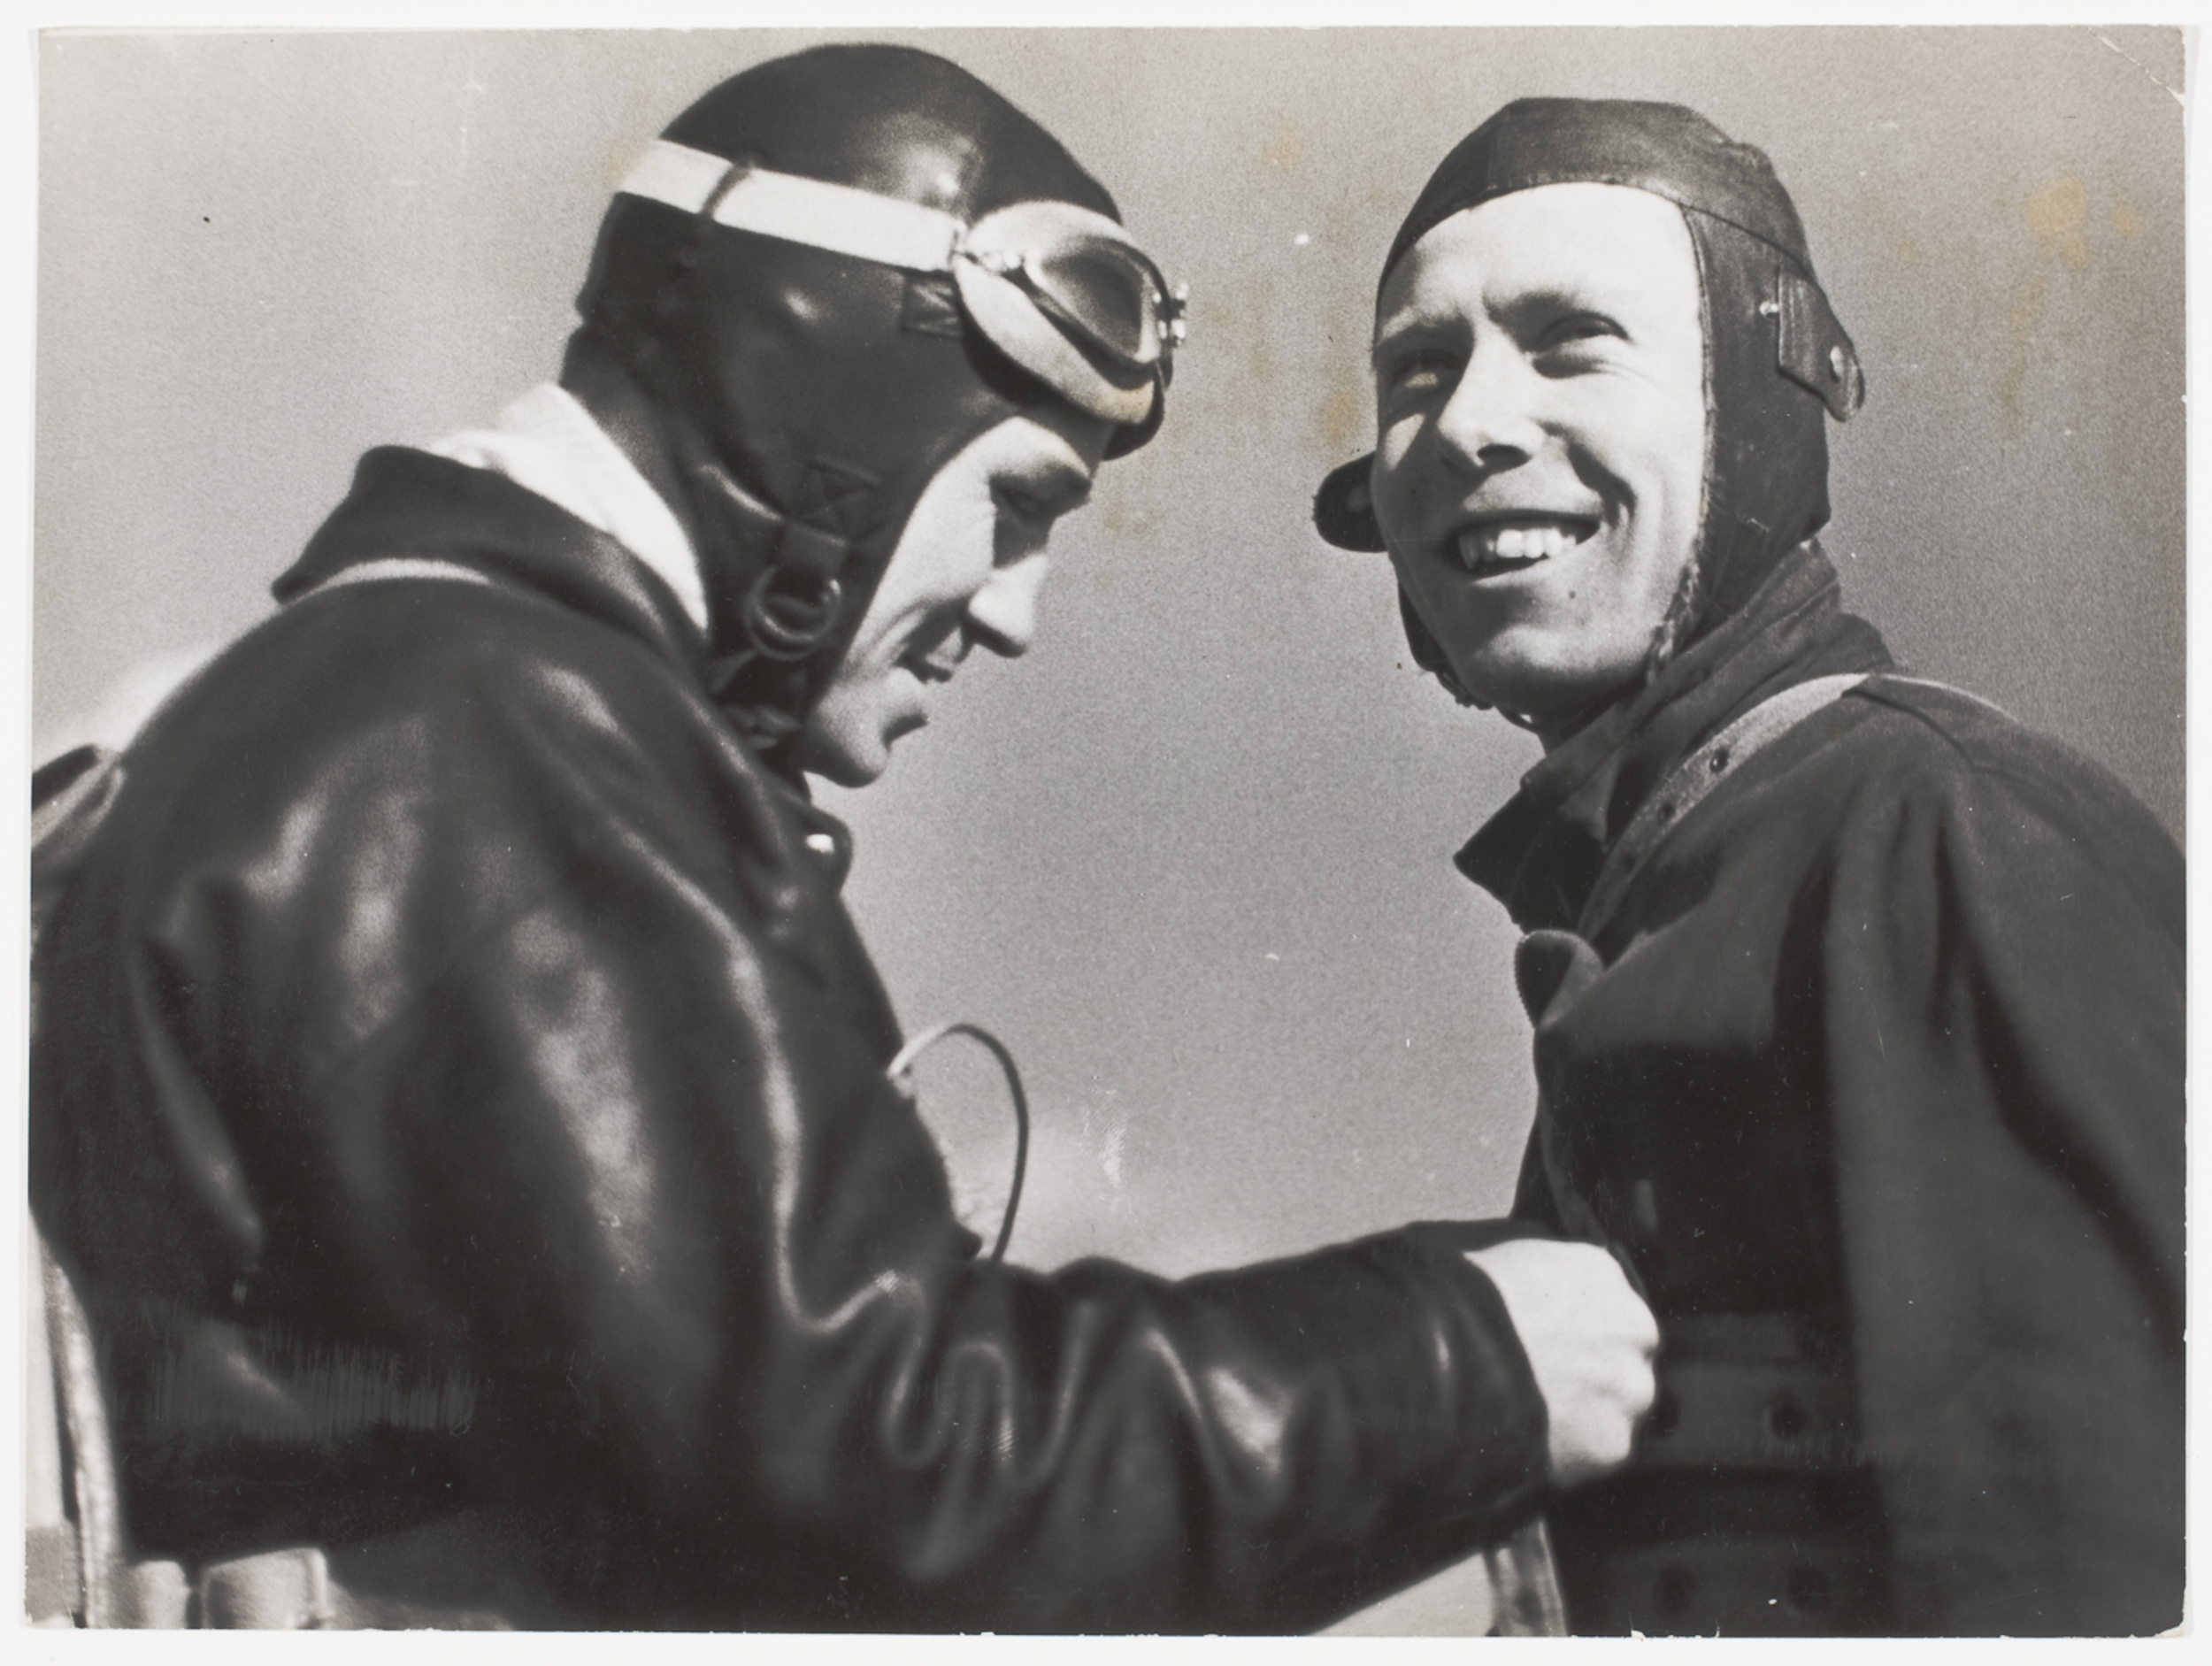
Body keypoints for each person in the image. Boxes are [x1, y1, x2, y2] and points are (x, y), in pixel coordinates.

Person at [30, 47, 1658, 1632]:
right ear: (835, 426)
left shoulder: (335, 703)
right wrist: (1466, 1363)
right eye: (1018, 504)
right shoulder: (491, 735)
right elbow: (858, 1482)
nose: (1014, 613)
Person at [1310, 97, 2185, 1638]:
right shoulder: (1686, 867)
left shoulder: (1934, 837)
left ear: (1754, 405)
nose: (1466, 426)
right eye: (1416, 371)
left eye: (1573, 340)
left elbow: (2085, 1573)